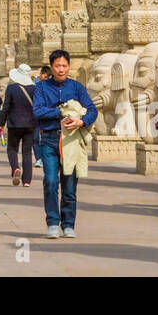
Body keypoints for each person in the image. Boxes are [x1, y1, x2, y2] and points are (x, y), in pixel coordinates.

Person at [33, 50, 98, 239]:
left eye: (64, 66)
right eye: (57, 66)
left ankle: (68, 224)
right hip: (50, 139)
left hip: (71, 140)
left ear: (69, 67)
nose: (61, 69)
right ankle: (53, 222)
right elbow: (37, 111)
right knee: (51, 181)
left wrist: (82, 122)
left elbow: (92, 110)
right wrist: (61, 112)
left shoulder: (77, 87)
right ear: (51, 68)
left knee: (69, 185)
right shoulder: (42, 87)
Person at [0, 64, 37, 186]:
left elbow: (6, 107)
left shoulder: (11, 88)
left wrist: (1, 124)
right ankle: (27, 180)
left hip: (14, 124)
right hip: (30, 124)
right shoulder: (35, 89)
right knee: (27, 152)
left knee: (12, 149)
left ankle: (15, 168)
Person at [33, 66, 51, 169]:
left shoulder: (48, 86)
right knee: (35, 138)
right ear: (41, 73)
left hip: (45, 114)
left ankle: (45, 158)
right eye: (45, 76)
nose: (46, 78)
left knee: (45, 138)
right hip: (34, 115)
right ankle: (39, 159)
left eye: (48, 77)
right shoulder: (32, 85)